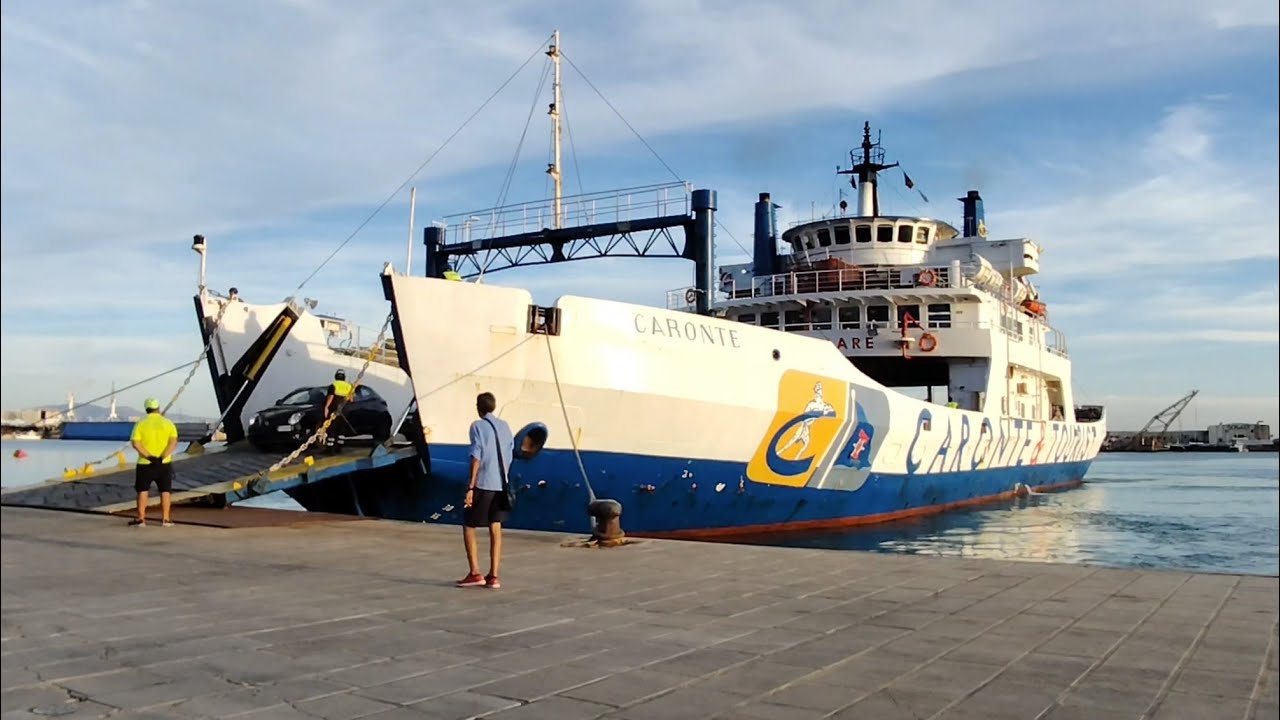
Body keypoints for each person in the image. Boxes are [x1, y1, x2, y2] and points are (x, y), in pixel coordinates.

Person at [456, 391, 514, 589]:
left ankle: (475, 572)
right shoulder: (505, 427)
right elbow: (510, 454)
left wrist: (470, 486)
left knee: (469, 526)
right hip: (501, 484)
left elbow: (476, 456)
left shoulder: (477, 426)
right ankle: (494, 576)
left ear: (478, 407)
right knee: (495, 527)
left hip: (484, 483)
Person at [129, 398, 179, 527]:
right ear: (158, 408)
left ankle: (141, 519)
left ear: (146, 409)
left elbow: (136, 443)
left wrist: (149, 457)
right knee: (165, 490)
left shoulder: (140, 424)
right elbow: (173, 442)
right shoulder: (168, 423)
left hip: (145, 463)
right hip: (164, 463)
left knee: (143, 490)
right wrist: (162, 457)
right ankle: (166, 519)